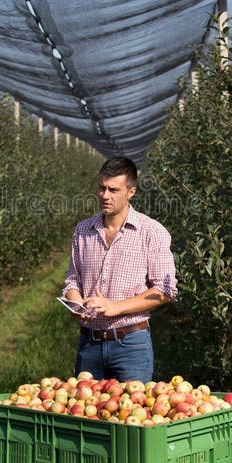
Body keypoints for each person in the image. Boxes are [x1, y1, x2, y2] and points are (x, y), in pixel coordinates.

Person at [62, 157, 177, 383]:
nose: (105, 195)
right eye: (102, 188)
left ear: (131, 192)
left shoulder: (151, 232)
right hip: (89, 343)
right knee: (87, 415)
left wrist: (115, 307)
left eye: (113, 190)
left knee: (132, 416)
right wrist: (76, 303)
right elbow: (72, 281)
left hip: (131, 344)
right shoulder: (83, 230)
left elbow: (165, 290)